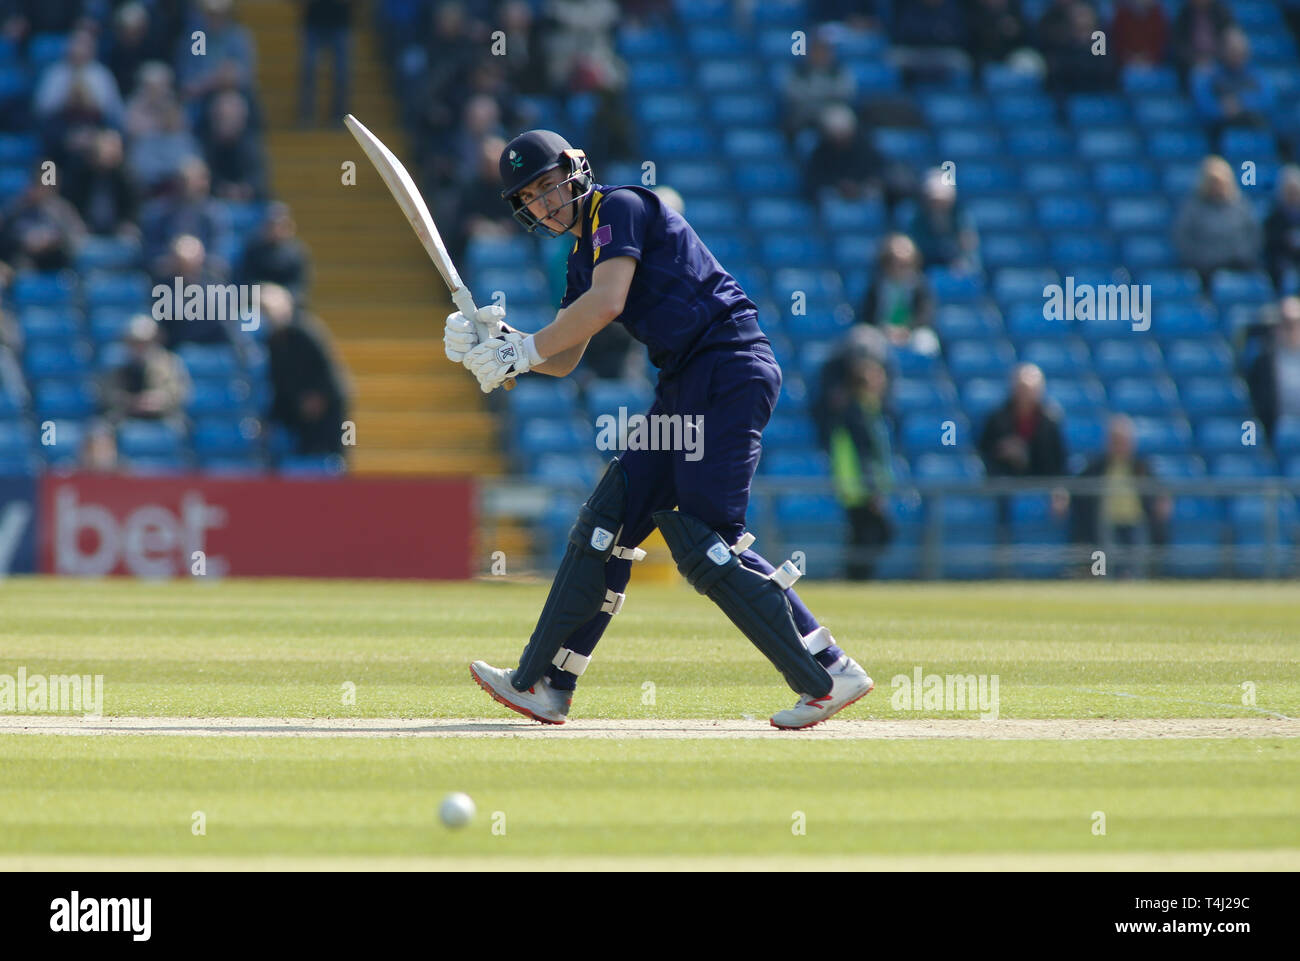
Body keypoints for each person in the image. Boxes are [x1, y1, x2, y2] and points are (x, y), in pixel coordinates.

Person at [448, 130, 874, 729]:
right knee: (608, 520)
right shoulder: (579, 257)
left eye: (548, 184)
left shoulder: (618, 207)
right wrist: (499, 346)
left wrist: (523, 351)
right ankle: (545, 683)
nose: (544, 202)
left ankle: (828, 670)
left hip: (727, 366)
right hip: (682, 386)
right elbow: (567, 354)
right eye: (530, 196)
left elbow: (609, 304)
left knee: (706, 540)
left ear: (575, 170)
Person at [813, 326, 895, 580]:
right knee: (872, 533)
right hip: (859, 486)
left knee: (862, 534)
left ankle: (853, 576)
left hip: (856, 485)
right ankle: (854, 577)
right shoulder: (857, 412)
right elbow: (864, 453)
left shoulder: (866, 409)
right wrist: (873, 489)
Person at [1068, 414, 1170, 577]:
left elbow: (1159, 490)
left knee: (1138, 558)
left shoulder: (1141, 467)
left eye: (1123, 441)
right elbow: (1076, 488)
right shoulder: (1095, 468)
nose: (1119, 446)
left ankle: (1138, 582)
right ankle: (1101, 583)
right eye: (1115, 441)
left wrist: (1163, 500)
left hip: (1134, 521)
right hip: (1105, 522)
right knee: (1102, 560)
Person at [264, 283, 349, 457]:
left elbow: (329, 370)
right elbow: (279, 385)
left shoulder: (307, 333)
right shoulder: (273, 343)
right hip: (298, 415)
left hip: (327, 411)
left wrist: (318, 397)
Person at [1173, 155, 1262, 289]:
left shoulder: (1242, 207)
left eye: (1220, 182)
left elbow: (1254, 236)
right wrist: (1203, 259)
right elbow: (1183, 238)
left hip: (1238, 267)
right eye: (1213, 182)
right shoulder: (1192, 208)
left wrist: (1240, 255)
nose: (1217, 186)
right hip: (1204, 271)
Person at [978, 363, 1068, 479]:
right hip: (1004, 482)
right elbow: (984, 451)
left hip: (1040, 482)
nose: (1025, 395)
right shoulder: (997, 418)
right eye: (1022, 388)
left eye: (1031, 390)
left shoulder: (1050, 423)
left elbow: (1057, 461)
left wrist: (1027, 453)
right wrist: (1001, 450)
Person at [100, 314, 190, 427]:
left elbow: (180, 393)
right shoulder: (115, 364)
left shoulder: (169, 363)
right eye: (134, 342)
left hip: (163, 415)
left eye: (144, 342)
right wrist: (130, 402)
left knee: (181, 425)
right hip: (125, 415)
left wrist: (159, 400)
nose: (139, 347)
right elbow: (107, 394)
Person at [858, 233, 939, 353]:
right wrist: (886, 329)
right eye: (897, 263)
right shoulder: (877, 285)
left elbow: (925, 315)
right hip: (882, 332)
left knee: (927, 341)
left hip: (911, 333)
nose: (902, 268)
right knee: (864, 337)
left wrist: (907, 329)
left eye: (907, 264)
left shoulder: (919, 285)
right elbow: (866, 315)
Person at [1246, 296, 1300, 445]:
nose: (1291, 330)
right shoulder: (1263, 363)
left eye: (1295, 324)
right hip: (1276, 429)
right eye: (1285, 324)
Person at [297, 0, 352, 126]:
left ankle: (340, 117)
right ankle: (306, 116)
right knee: (309, 71)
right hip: (313, 20)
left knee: (341, 74)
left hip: (340, 22)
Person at [1264, 165, 1300, 295]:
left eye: (1295, 191)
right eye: (1289, 191)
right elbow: (1270, 244)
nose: (1293, 195)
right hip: (1281, 262)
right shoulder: (1274, 217)